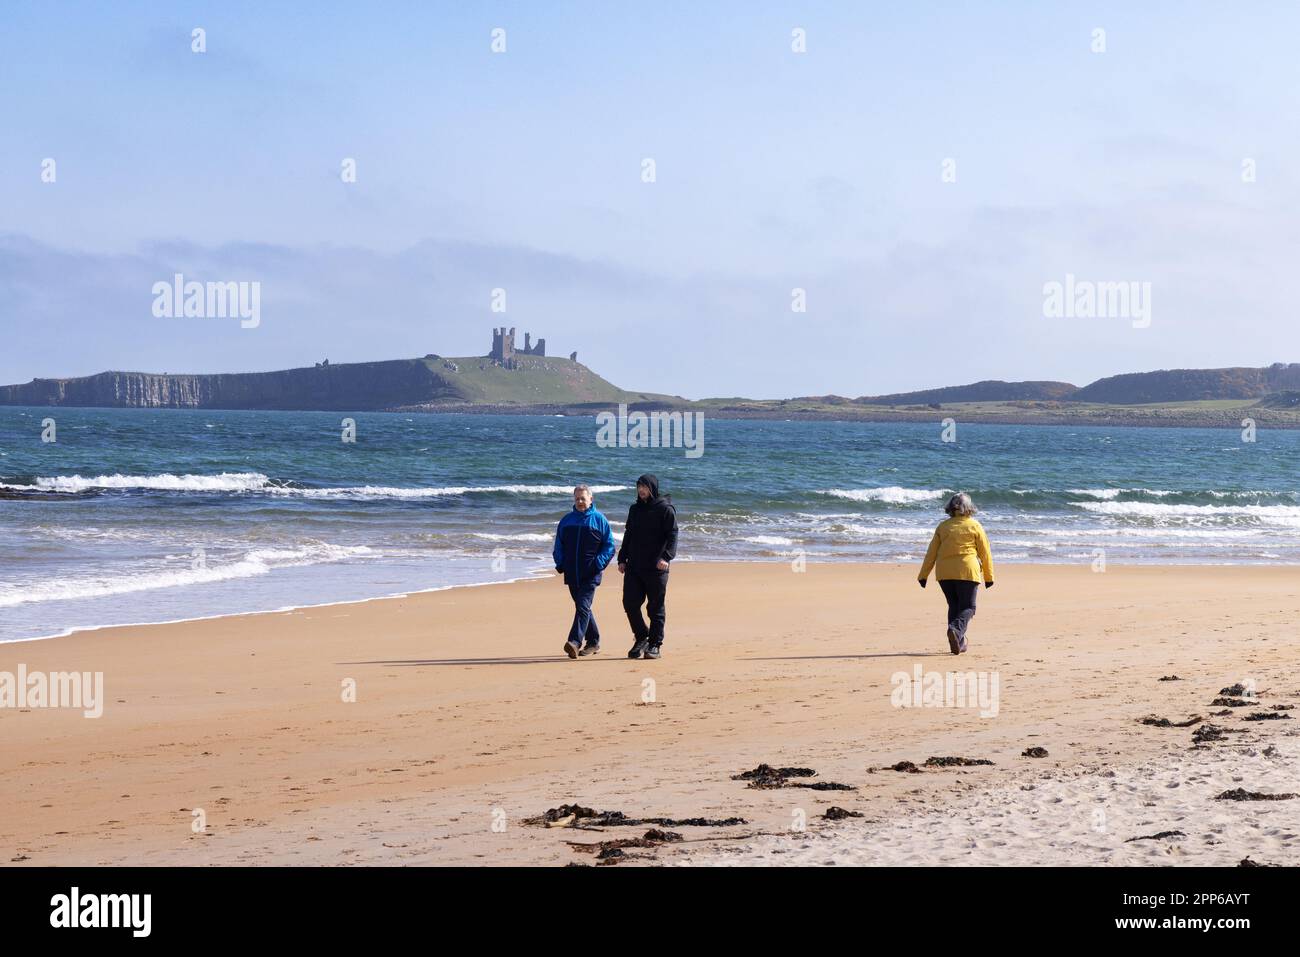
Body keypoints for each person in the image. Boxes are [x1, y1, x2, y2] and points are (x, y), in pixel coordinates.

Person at [917, 491, 995, 655]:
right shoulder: (974, 525)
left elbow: (931, 552)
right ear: (969, 508)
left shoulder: (943, 526)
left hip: (945, 573)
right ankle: (955, 630)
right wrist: (989, 577)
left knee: (954, 606)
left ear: (951, 508)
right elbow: (985, 552)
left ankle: (958, 643)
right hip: (967, 571)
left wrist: (923, 575)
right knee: (968, 607)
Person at [617, 473, 678, 659]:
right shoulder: (634, 509)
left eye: (645, 487)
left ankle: (655, 644)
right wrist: (622, 558)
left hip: (657, 568)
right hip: (634, 566)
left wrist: (666, 557)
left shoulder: (665, 509)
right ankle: (642, 636)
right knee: (629, 603)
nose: (641, 490)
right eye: (639, 487)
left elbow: (673, 535)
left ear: (652, 488)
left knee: (655, 607)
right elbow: (629, 534)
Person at [552, 484, 616, 659]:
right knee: (583, 607)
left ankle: (574, 642)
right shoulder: (566, 520)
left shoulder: (599, 520)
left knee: (582, 606)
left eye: (583, 498)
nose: (580, 502)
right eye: (577, 498)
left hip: (591, 573)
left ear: (591, 499)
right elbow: (559, 545)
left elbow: (609, 547)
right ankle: (594, 641)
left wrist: (598, 564)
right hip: (571, 572)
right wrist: (560, 562)